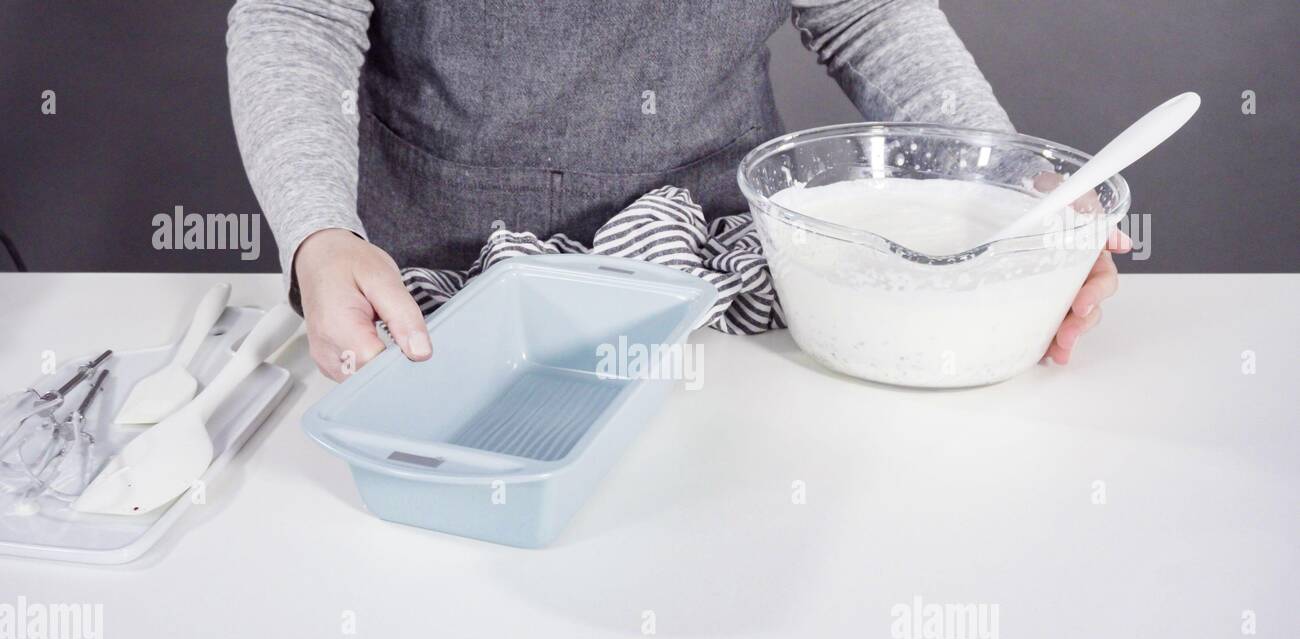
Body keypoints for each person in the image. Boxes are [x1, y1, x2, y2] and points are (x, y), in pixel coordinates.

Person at [227, 0, 1126, 381]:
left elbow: (869, 14)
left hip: (719, 299)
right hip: (433, 307)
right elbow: (298, 14)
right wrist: (317, 234)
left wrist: (1010, 191)